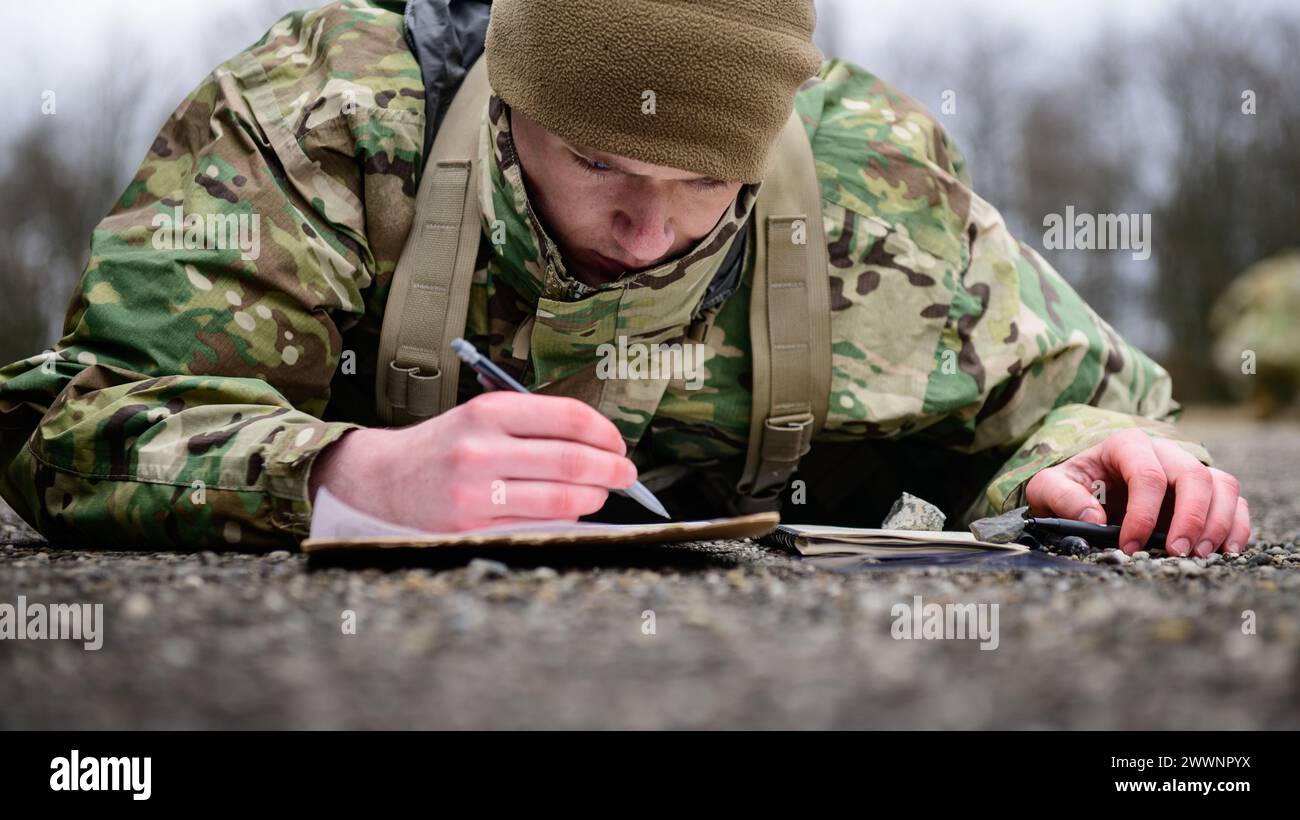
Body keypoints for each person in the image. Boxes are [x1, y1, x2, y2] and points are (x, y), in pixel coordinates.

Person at [0, 0, 1250, 557]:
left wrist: (1094, 461)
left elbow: (1070, 397)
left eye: (706, 180)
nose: (647, 230)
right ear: (512, 96)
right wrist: (342, 475)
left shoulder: (876, 179)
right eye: (595, 162)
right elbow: (72, 423)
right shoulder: (320, 119)